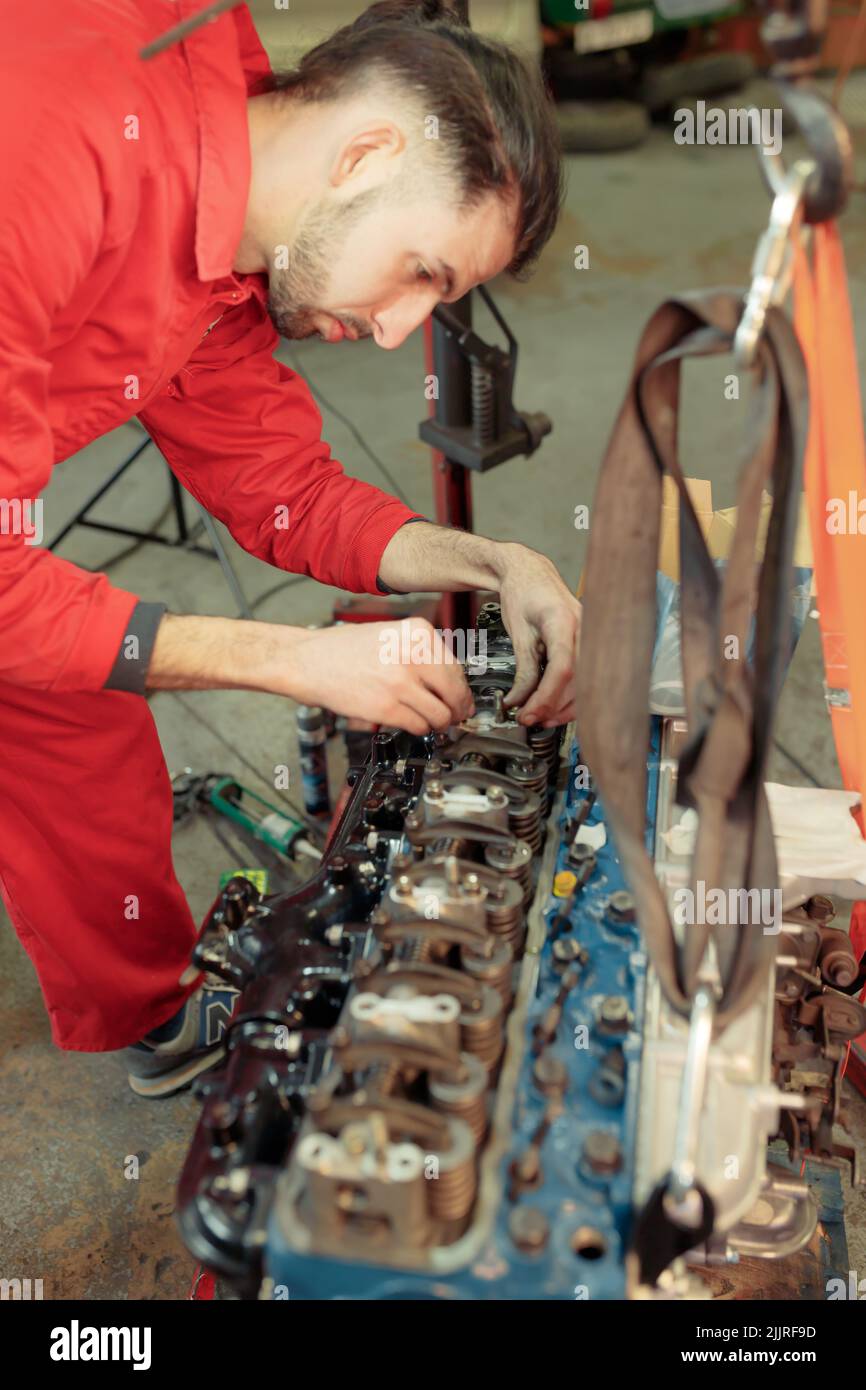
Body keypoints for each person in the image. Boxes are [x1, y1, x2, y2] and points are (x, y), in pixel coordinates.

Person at [0, 0, 580, 1095]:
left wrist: (487, 560)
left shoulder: (221, 239)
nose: (402, 327)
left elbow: (280, 485)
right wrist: (286, 657)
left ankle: (151, 1007)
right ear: (365, 154)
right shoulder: (56, 147)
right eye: (423, 272)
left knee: (75, 690)